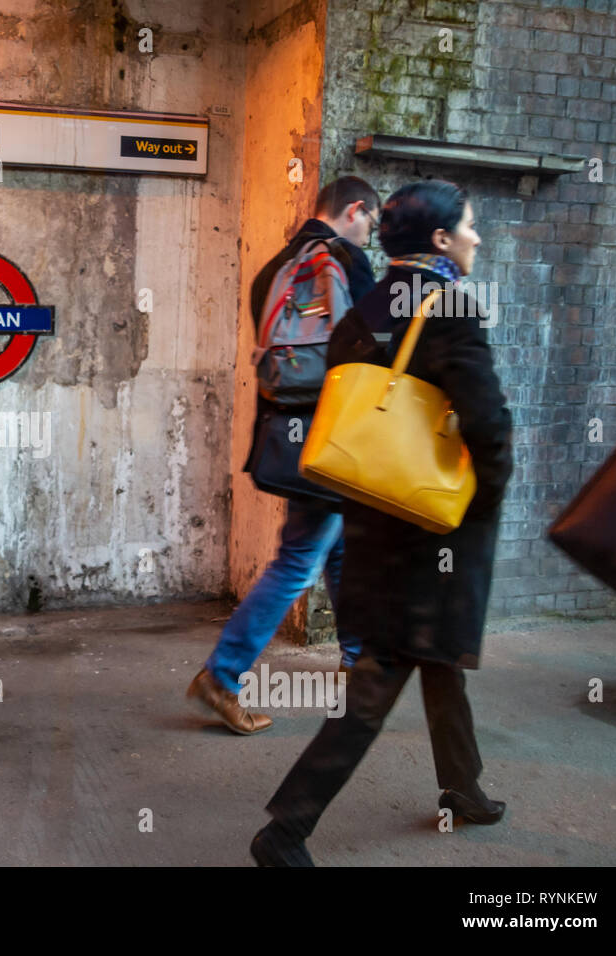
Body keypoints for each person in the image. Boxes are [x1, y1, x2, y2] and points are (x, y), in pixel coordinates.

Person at [250, 179, 514, 866]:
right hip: (430, 532)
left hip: (371, 521)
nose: (475, 238)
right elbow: (487, 423)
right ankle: (285, 831)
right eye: (469, 227)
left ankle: (464, 788)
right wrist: (482, 505)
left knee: (437, 656)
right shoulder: (451, 306)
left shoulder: (360, 307)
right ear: (439, 239)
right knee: (381, 678)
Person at [186, 177, 379, 734]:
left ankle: (357, 661)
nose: (369, 232)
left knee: (335, 544)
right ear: (355, 211)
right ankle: (222, 677)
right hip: (334, 440)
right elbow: (370, 360)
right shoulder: (348, 259)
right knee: (298, 560)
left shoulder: (272, 269)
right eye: (369, 221)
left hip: (285, 436)